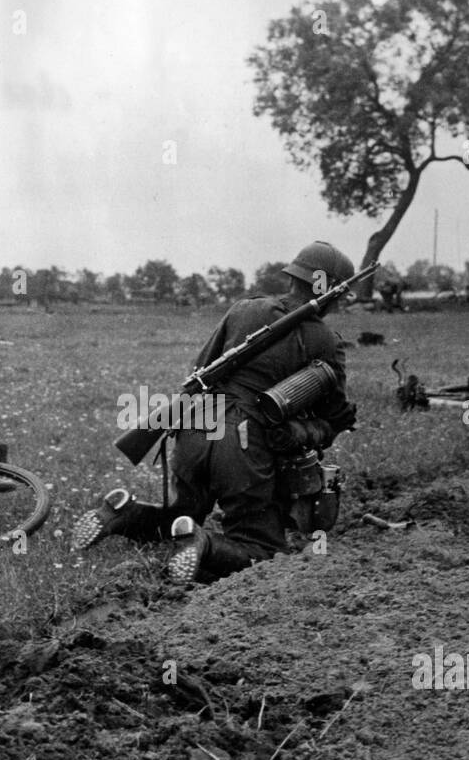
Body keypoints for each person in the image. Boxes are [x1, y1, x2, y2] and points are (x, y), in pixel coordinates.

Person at [72, 241, 357, 585]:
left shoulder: (243, 310)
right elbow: (335, 413)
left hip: (197, 423)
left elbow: (201, 369)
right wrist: (308, 430)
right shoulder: (325, 340)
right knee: (262, 548)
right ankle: (203, 544)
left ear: (293, 278)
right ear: (329, 291)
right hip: (243, 443)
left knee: (182, 512)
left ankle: (123, 513)